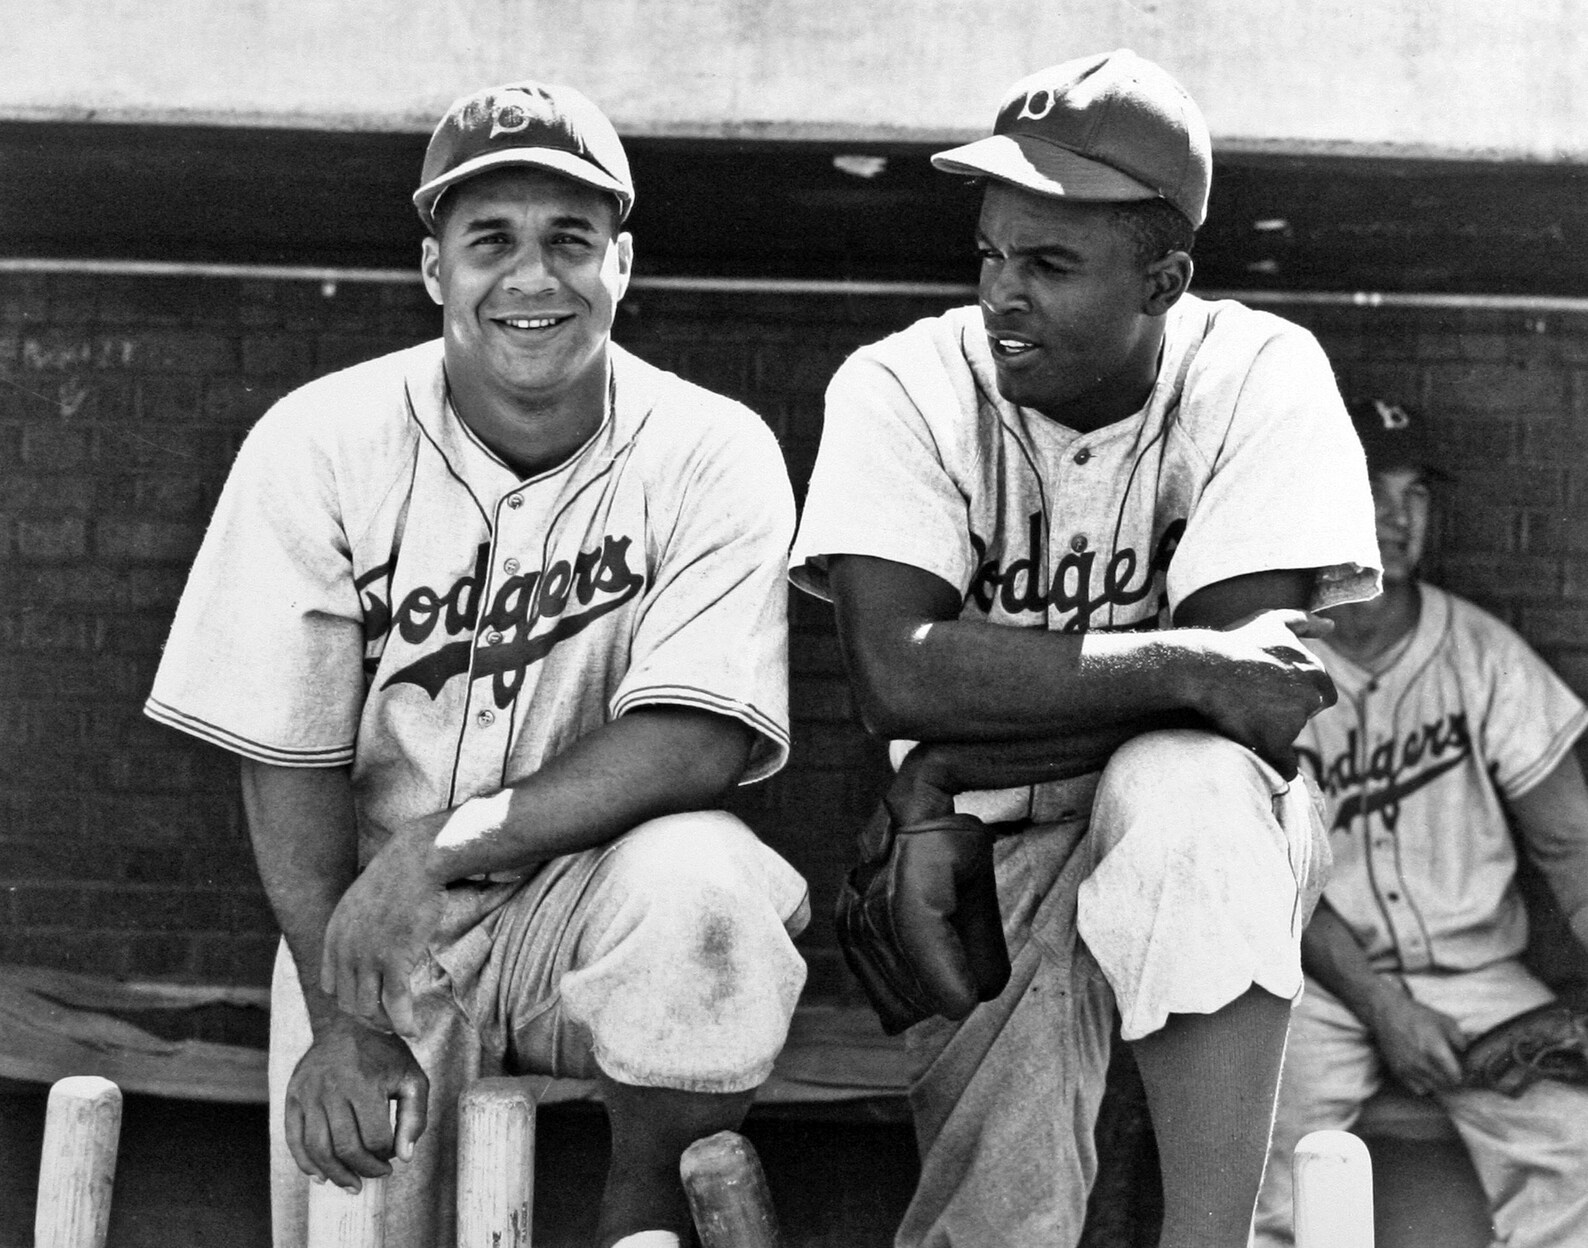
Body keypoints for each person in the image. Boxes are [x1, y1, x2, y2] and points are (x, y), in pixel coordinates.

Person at [144, 80, 809, 1248]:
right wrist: (341, 1018)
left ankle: (643, 1222)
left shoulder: (711, 449)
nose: (533, 277)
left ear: (621, 263)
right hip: (372, 918)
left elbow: (699, 738)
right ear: (433, 268)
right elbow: (283, 751)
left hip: (592, 897)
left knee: (710, 896)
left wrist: (446, 843)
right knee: (360, 1200)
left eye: (571, 239)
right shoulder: (320, 441)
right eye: (490, 239)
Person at [789, 49, 1382, 1248]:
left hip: (1148, 815)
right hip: (983, 837)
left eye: (1049, 264)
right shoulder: (902, 383)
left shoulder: (1258, 374)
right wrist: (1180, 664)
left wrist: (947, 761)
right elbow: (897, 674)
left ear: (1163, 280)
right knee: (991, 1222)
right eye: (990, 254)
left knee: (1188, 793)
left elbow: (1246, 713)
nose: (1002, 294)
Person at [1253, 398, 1588, 1248]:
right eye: (1370, 491)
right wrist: (1383, 1007)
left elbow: (1573, 844)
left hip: (1480, 979)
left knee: (1579, 1148)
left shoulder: (1482, 654)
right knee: (1272, 1164)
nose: (1395, 518)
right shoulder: (1262, 666)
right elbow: (1267, 878)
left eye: (1415, 494)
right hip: (1321, 981)